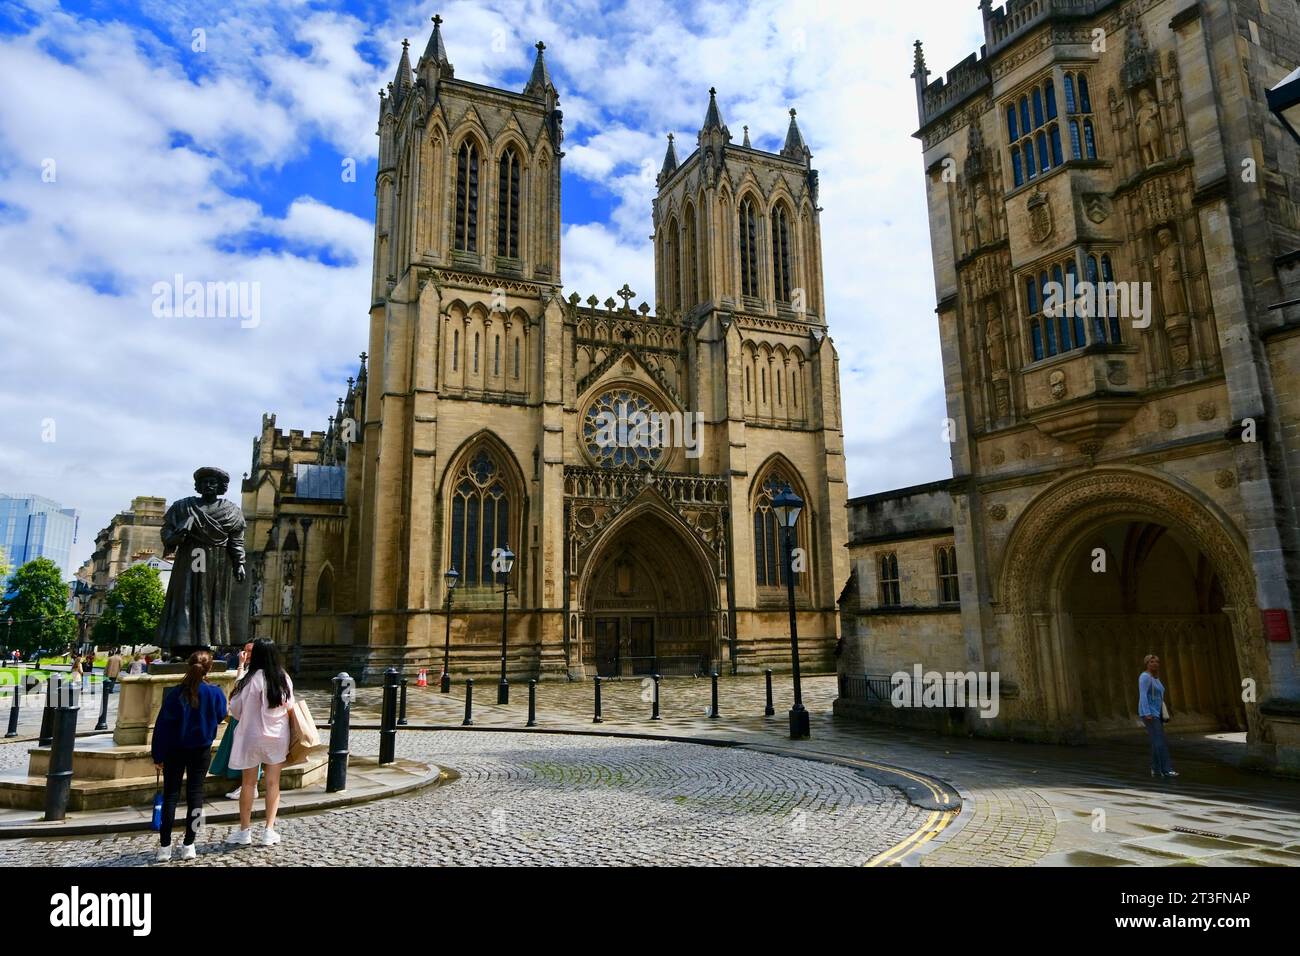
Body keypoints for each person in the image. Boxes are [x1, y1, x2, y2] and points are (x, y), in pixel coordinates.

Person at [151, 651, 228, 862]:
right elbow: (221, 714)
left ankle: (165, 847)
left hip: (174, 750)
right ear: (209, 668)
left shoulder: (175, 694)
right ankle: (189, 844)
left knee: (170, 797)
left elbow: (162, 728)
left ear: (188, 666)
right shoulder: (215, 693)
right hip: (201, 751)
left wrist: (157, 756)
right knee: (196, 797)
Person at [225, 638, 294, 848]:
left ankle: (245, 831)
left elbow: (235, 711)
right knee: (273, 783)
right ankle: (269, 831)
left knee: (248, 784)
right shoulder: (283, 678)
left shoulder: (248, 679)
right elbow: (290, 707)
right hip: (277, 736)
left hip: (251, 736)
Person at [208, 641, 258, 800]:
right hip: (242, 716)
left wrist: (241, 665)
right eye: (245, 651)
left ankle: (249, 786)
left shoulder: (256, 671)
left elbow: (239, 686)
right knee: (238, 750)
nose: (246, 654)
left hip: (249, 719)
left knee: (248, 754)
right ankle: (245, 785)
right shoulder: (252, 669)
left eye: (249, 651)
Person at [1139, 653, 1178, 779]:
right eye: (1151, 662)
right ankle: (1167, 769)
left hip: (1158, 713)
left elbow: (1160, 697)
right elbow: (1143, 695)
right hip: (1149, 714)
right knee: (1160, 742)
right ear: (1146, 664)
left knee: (1157, 742)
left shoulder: (1156, 678)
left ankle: (1155, 769)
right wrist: (1147, 712)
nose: (1155, 664)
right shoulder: (1144, 677)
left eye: (1156, 662)